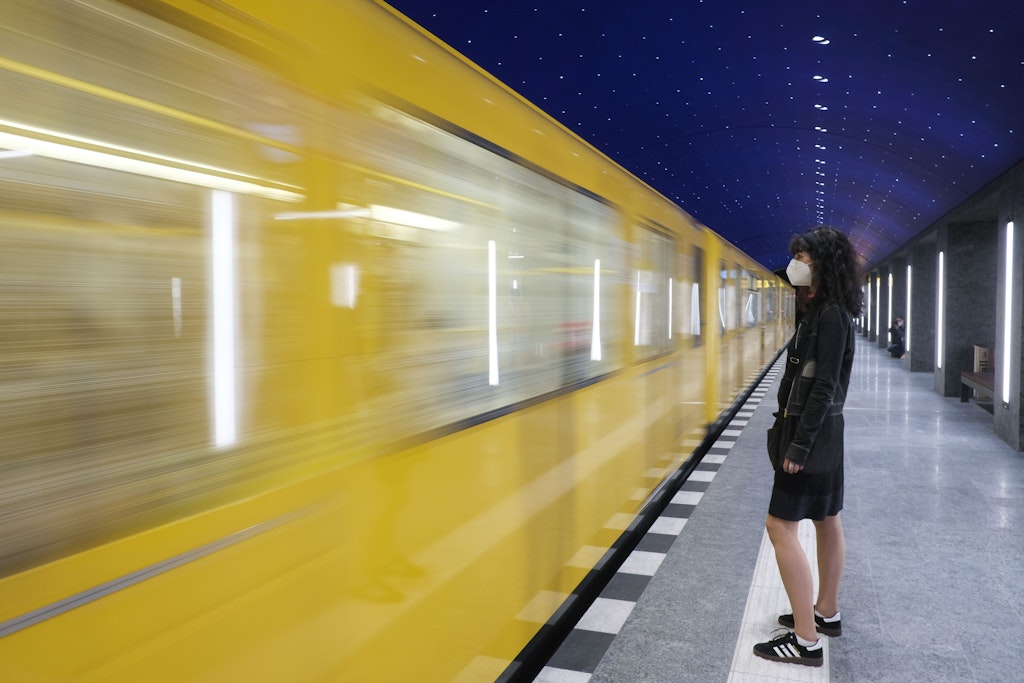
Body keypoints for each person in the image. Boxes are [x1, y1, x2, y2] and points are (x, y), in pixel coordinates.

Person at [753, 226, 862, 667]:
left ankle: (805, 639)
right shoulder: (824, 309)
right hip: (825, 435)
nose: (795, 264)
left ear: (824, 263)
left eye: (803, 257)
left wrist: (797, 447)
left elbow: (822, 387)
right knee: (826, 518)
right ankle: (826, 613)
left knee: (780, 527)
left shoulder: (831, 315)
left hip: (812, 435)